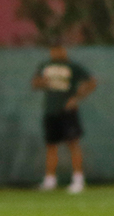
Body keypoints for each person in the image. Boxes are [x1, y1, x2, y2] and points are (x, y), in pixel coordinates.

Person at [32, 45, 96, 193]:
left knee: (73, 144)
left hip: (67, 111)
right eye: (53, 49)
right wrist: (42, 83)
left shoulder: (72, 66)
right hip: (50, 110)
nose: (56, 52)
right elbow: (35, 83)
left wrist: (76, 98)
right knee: (51, 145)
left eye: (59, 49)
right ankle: (50, 180)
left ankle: (78, 180)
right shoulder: (45, 65)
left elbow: (91, 81)